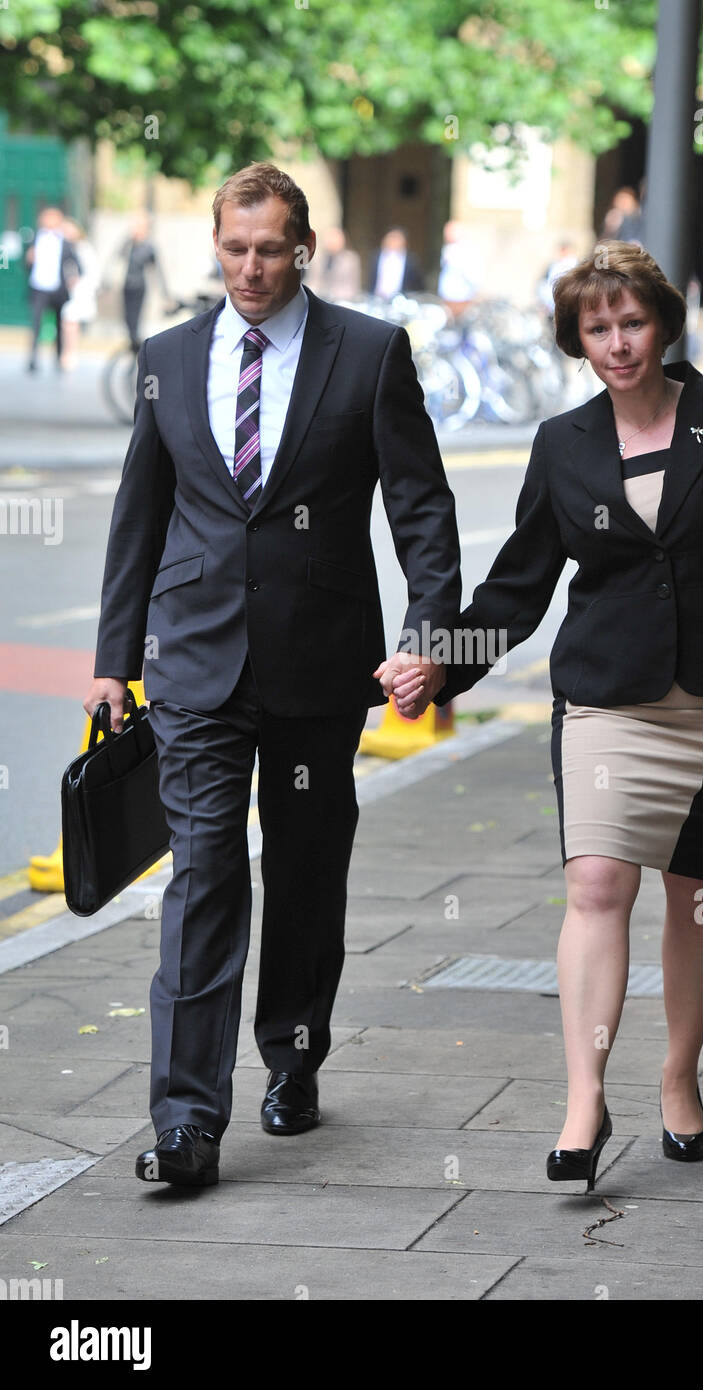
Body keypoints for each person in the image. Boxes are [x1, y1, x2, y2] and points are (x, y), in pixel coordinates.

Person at [386, 240, 703, 1189]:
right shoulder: (561, 445)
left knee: (696, 891)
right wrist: (439, 668)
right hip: (607, 699)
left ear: (665, 322)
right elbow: (518, 588)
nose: (618, 343)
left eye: (633, 322)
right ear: (577, 338)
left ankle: (679, 1075)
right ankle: (583, 1101)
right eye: (597, 328)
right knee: (598, 887)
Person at [84, 161, 458, 1188]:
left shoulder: (369, 353)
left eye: (269, 249)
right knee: (203, 876)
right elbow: (139, 519)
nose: (251, 268)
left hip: (320, 663)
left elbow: (420, 507)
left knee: (301, 871)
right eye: (234, 248)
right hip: (194, 661)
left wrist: (430, 633)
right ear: (217, 245)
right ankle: (187, 1121)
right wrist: (116, 662)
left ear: (304, 248)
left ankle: (294, 1056)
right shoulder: (167, 357)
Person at [24, 207, 82, 373]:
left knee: (58, 323)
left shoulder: (65, 242)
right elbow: (25, 262)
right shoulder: (34, 239)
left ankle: (58, 358)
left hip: (58, 288)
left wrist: (74, 277)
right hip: (38, 286)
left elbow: (77, 263)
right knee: (36, 324)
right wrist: (29, 259)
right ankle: (33, 358)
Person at [119, 211, 168, 353]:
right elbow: (118, 256)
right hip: (126, 285)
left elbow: (159, 271)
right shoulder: (129, 243)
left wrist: (165, 294)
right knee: (127, 322)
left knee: (135, 323)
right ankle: (134, 349)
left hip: (139, 287)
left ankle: (138, 350)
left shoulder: (149, 246)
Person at [60, 218, 100, 370]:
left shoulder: (84, 249)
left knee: (70, 321)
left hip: (82, 291)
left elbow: (93, 272)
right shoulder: (68, 248)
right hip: (71, 291)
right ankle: (67, 352)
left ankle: (70, 353)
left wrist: (79, 281)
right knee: (68, 323)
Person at [301, 225, 362, 300]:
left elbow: (352, 287)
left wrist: (335, 297)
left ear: (343, 241)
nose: (331, 242)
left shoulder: (350, 259)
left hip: (341, 299)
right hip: (317, 296)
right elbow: (311, 279)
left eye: (335, 239)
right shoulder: (316, 257)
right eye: (329, 239)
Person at [367, 226, 424, 299]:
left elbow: (419, 286)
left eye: (397, 238)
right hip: (377, 299)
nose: (393, 241)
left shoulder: (411, 261)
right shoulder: (376, 257)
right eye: (391, 237)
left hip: (401, 300)